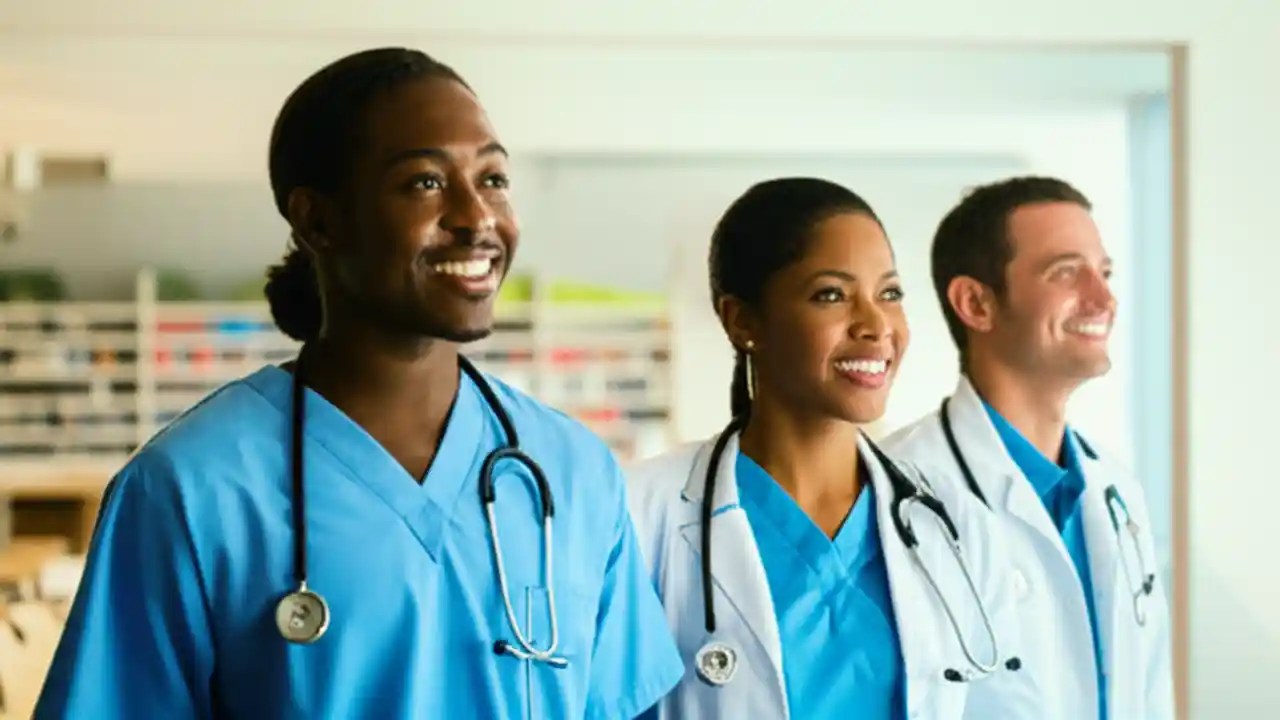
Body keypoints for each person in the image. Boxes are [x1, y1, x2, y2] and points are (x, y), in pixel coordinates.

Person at [35, 47, 683, 719]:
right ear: (318, 220)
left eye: (492, 178)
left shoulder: (570, 473)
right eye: (426, 183)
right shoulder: (192, 489)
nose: (476, 216)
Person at [626, 178, 1040, 719]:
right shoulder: (640, 517)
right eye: (832, 295)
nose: (876, 325)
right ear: (743, 320)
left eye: (889, 293)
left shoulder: (956, 527)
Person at [883, 175, 1174, 719]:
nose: (1103, 298)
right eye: (1066, 272)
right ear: (976, 303)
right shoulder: (897, 491)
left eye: (1104, 273)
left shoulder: (1116, 488)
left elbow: (1152, 691)